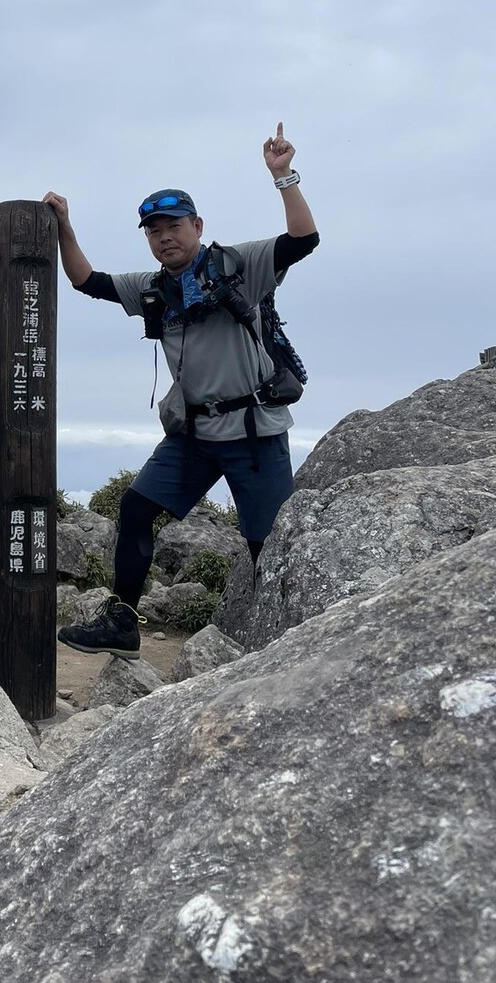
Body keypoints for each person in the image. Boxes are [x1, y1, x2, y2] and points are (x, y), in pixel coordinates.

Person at [44, 123, 319, 658]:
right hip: (192, 432)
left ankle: (293, 647)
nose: (164, 236)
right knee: (136, 508)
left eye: (173, 225)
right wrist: (64, 229)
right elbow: (86, 281)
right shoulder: (152, 289)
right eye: (153, 230)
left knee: (268, 545)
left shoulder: (241, 265)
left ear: (197, 225)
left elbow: (303, 239)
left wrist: (284, 176)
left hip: (253, 432)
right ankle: (122, 623)